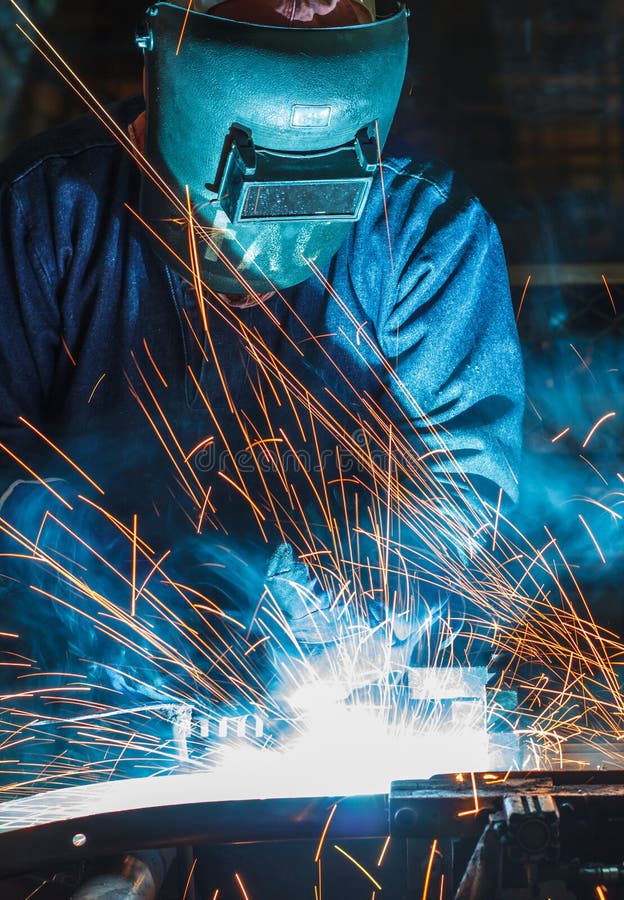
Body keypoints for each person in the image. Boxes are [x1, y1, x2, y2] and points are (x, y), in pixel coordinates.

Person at [0, 0, 524, 710]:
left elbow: (459, 499)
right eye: (212, 247)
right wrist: (148, 609)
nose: (251, 289)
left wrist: (365, 615)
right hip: (86, 707)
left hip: (343, 699)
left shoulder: (428, 237)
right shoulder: (41, 216)